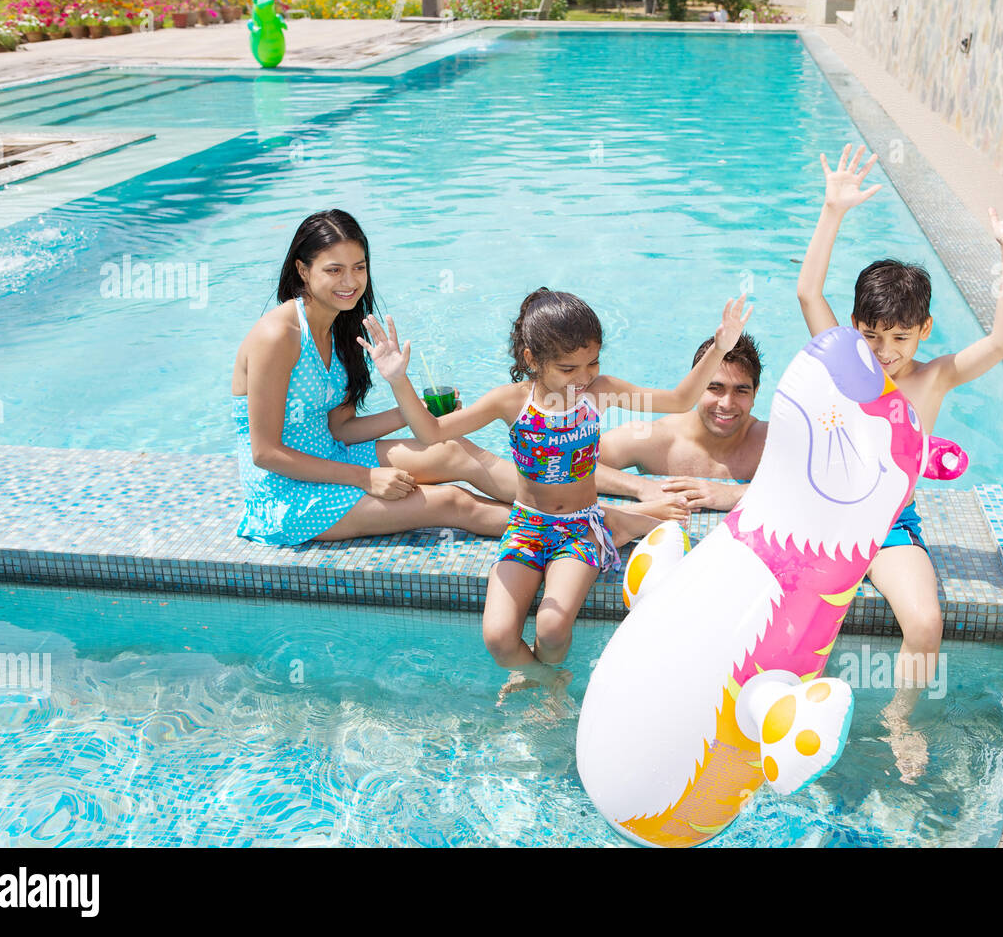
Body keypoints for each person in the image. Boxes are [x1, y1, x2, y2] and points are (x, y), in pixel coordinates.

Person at [797, 143, 1003, 781]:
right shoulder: (841, 357)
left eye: (900, 337)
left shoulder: (934, 379)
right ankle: (792, 713)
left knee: (926, 622)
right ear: (854, 325)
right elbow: (807, 290)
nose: (884, 352)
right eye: (872, 334)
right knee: (792, 617)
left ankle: (899, 720)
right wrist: (832, 211)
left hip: (891, 528)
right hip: (829, 521)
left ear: (925, 330)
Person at [359, 288, 752, 705]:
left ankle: (546, 693)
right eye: (568, 368)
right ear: (532, 359)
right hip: (529, 525)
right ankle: (549, 681)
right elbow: (432, 433)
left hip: (581, 528)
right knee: (497, 637)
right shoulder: (510, 402)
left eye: (592, 362)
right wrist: (398, 380)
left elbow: (679, 399)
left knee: (551, 626)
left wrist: (721, 347)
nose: (583, 377)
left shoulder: (600, 392)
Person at [231, 209, 519, 546]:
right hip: (284, 495)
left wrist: (414, 411)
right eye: (334, 270)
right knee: (451, 501)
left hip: (331, 454)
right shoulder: (278, 336)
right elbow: (265, 453)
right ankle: (569, 529)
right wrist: (364, 477)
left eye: (359, 268)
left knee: (455, 451)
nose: (350, 282)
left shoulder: (340, 327)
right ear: (303, 270)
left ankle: (568, 503)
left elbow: (341, 429)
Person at [595, 332, 768, 513]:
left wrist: (736, 493)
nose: (726, 404)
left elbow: (800, 482)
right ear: (695, 387)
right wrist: (640, 486)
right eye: (715, 388)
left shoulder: (770, 442)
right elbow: (566, 466)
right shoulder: (656, 438)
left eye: (741, 391)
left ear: (755, 393)